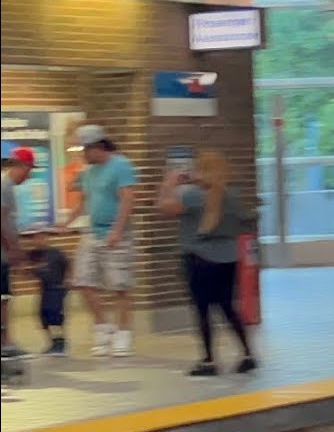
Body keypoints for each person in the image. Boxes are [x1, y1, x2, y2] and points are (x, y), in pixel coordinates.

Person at [156, 149, 256, 376]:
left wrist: (169, 183)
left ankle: (209, 360)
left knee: (202, 310)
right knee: (228, 307)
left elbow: (164, 207)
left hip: (199, 258)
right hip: (229, 258)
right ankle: (248, 354)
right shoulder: (231, 195)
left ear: (202, 170)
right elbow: (244, 219)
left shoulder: (192, 196)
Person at [58, 125, 137, 357]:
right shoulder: (88, 171)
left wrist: (117, 230)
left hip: (117, 234)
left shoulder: (121, 166)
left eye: (85, 149)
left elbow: (127, 201)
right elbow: (82, 201)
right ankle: (103, 327)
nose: (82, 154)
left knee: (119, 285)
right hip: (92, 233)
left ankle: (123, 334)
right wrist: (67, 222)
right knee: (82, 280)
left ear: (98, 146)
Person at [1, 147, 36, 359]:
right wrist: (14, 250)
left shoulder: (7, 186)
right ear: (20, 166)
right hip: (2, 253)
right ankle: (5, 344)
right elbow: (1, 221)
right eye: (29, 169)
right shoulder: (4, 186)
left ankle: (7, 342)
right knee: (3, 299)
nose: (29, 175)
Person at [28, 228, 69, 357]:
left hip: (57, 288)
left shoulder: (56, 253)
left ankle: (61, 343)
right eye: (36, 237)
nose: (39, 240)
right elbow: (26, 269)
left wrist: (69, 279)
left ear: (47, 238)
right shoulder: (34, 255)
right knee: (42, 316)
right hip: (44, 289)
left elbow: (68, 265)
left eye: (42, 237)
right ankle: (52, 343)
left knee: (55, 315)